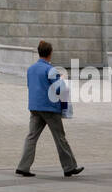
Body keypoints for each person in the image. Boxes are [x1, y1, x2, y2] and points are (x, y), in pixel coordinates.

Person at [16, 40, 82, 178]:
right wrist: (62, 83)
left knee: (31, 137)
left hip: (34, 107)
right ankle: (69, 167)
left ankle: (23, 166)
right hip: (50, 108)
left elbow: (30, 86)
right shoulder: (50, 70)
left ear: (39, 52)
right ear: (50, 53)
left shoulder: (31, 69)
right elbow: (60, 88)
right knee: (60, 138)